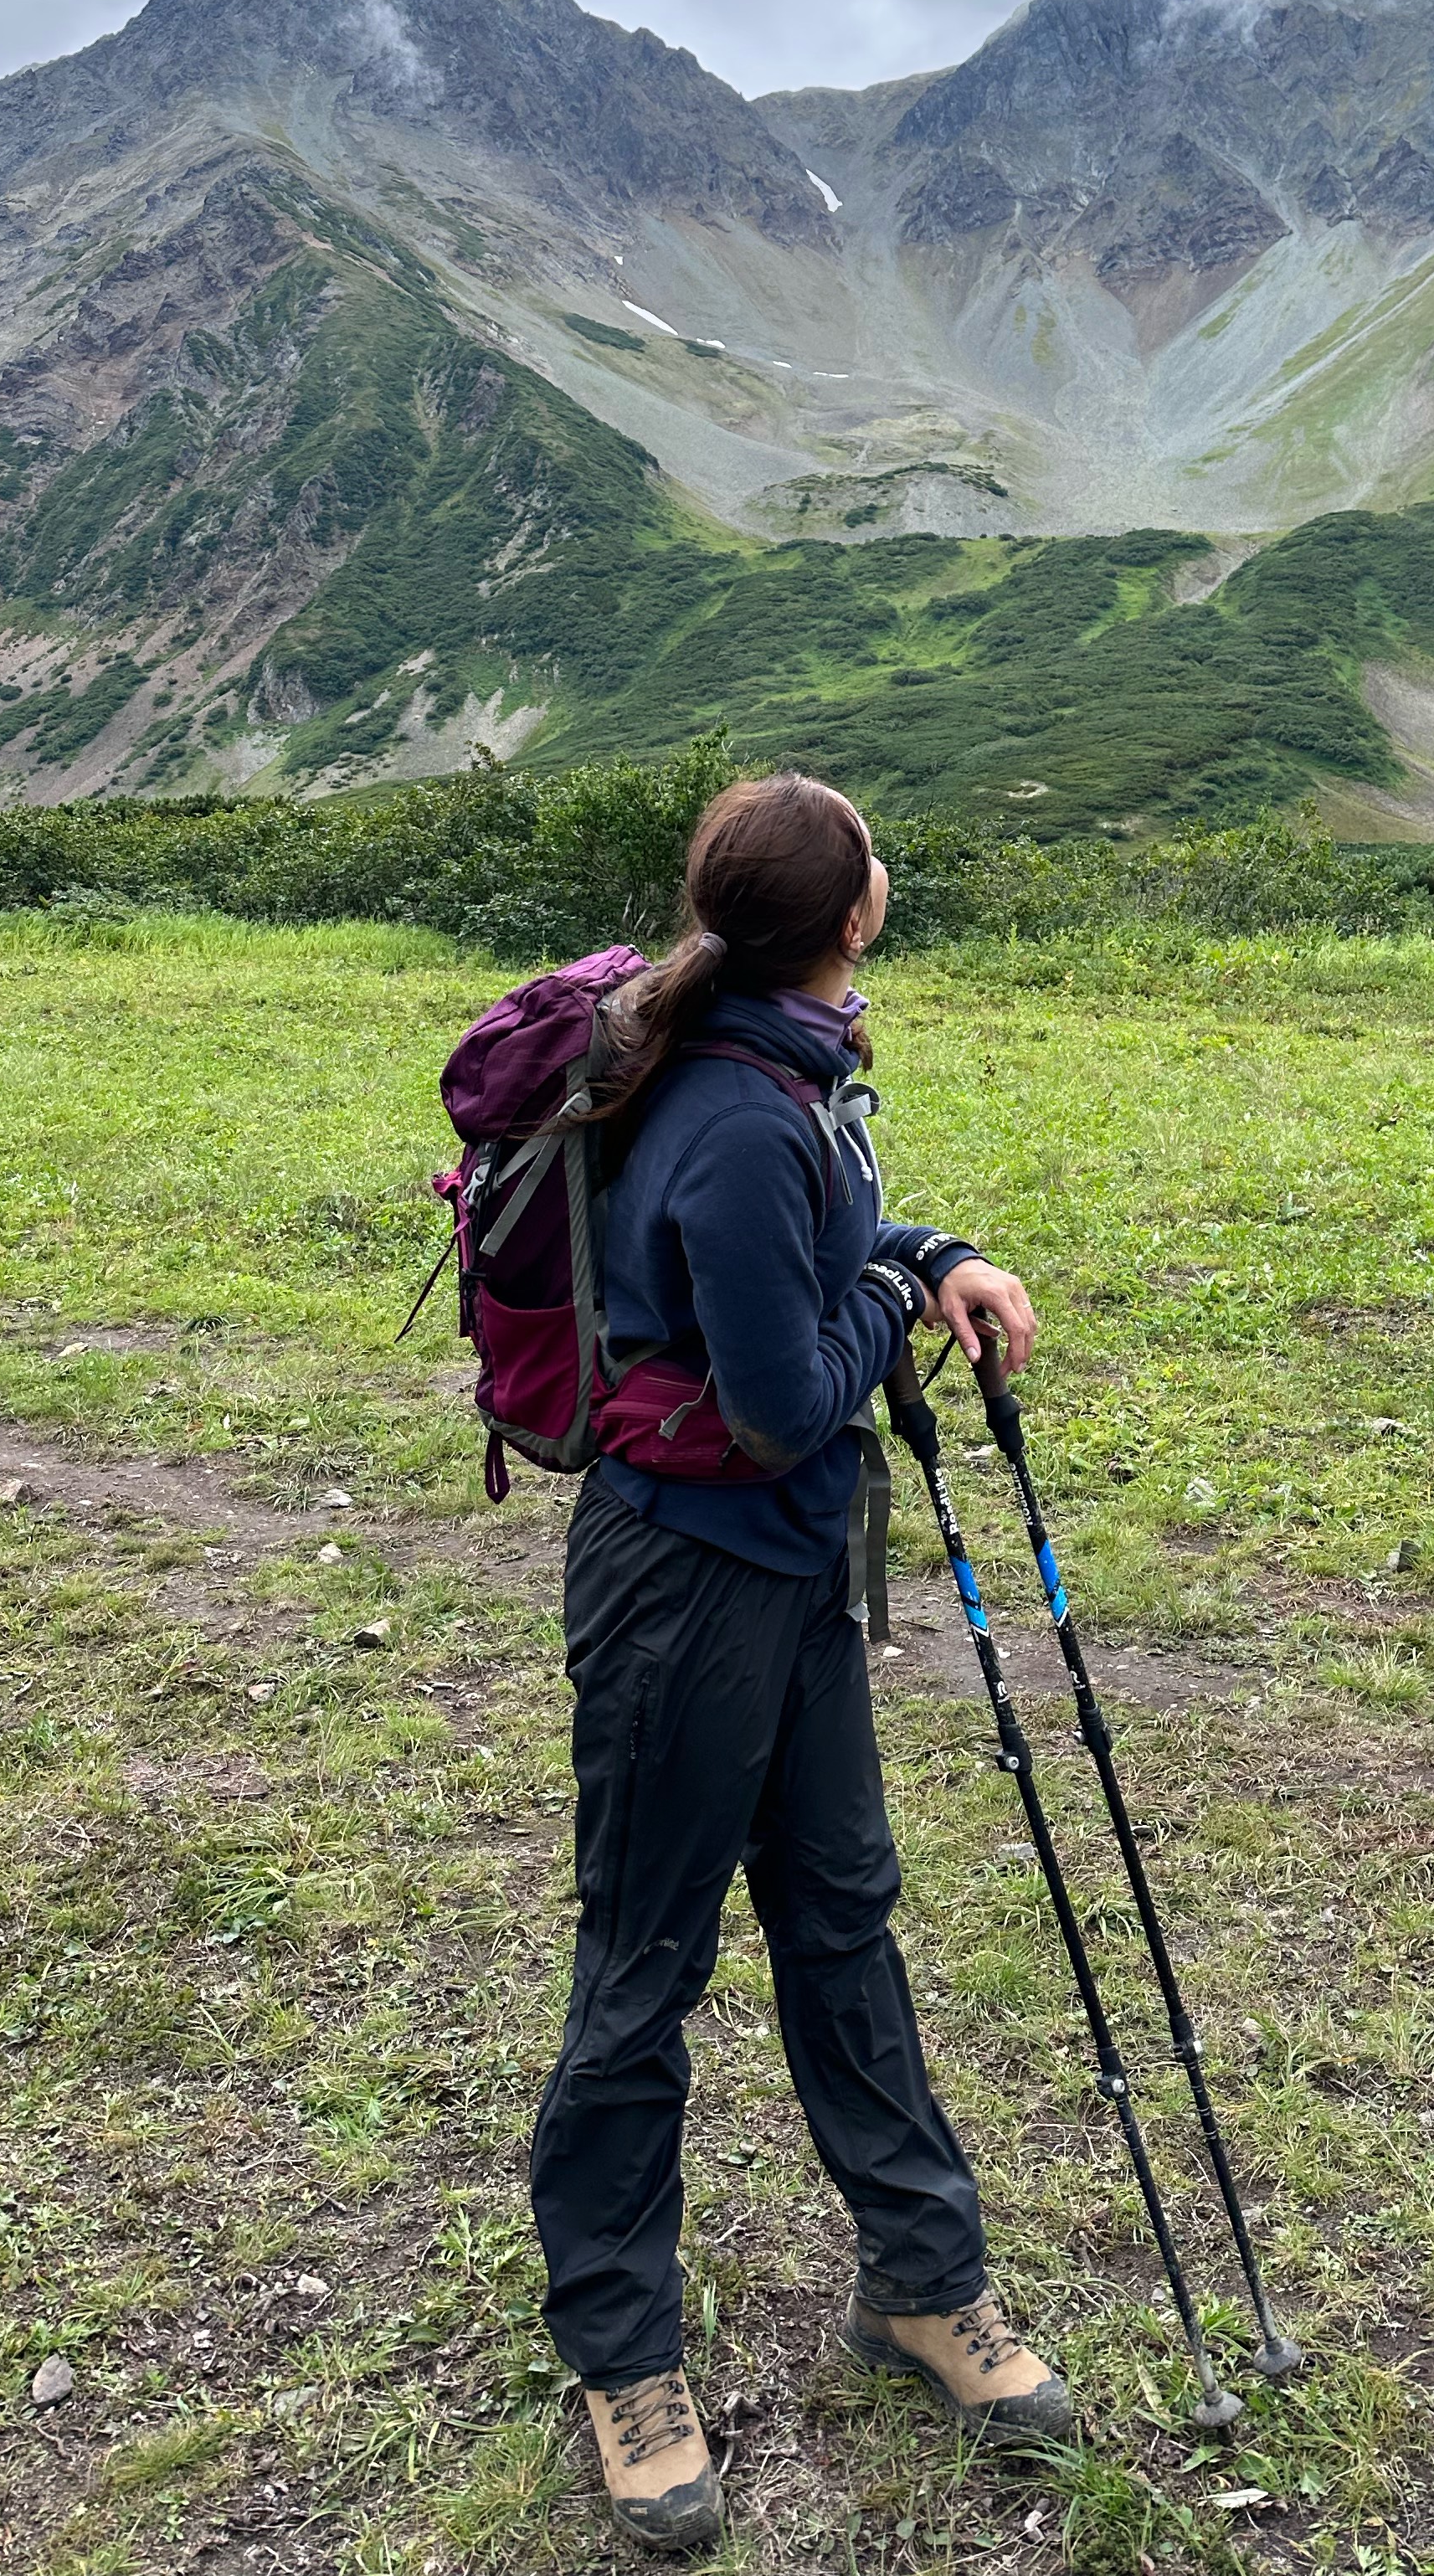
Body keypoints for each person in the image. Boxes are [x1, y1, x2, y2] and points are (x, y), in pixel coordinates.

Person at [528, 771, 1074, 2552]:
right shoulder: (751, 1104)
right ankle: (622, 2357)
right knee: (646, 1964)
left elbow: (807, 1265)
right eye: (878, 862)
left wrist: (931, 1252)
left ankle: (925, 2282)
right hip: (688, 1585)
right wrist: (892, 1305)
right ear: (852, 914)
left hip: (775, 1579)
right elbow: (777, 1398)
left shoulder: (780, 1054)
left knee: (841, 1910)